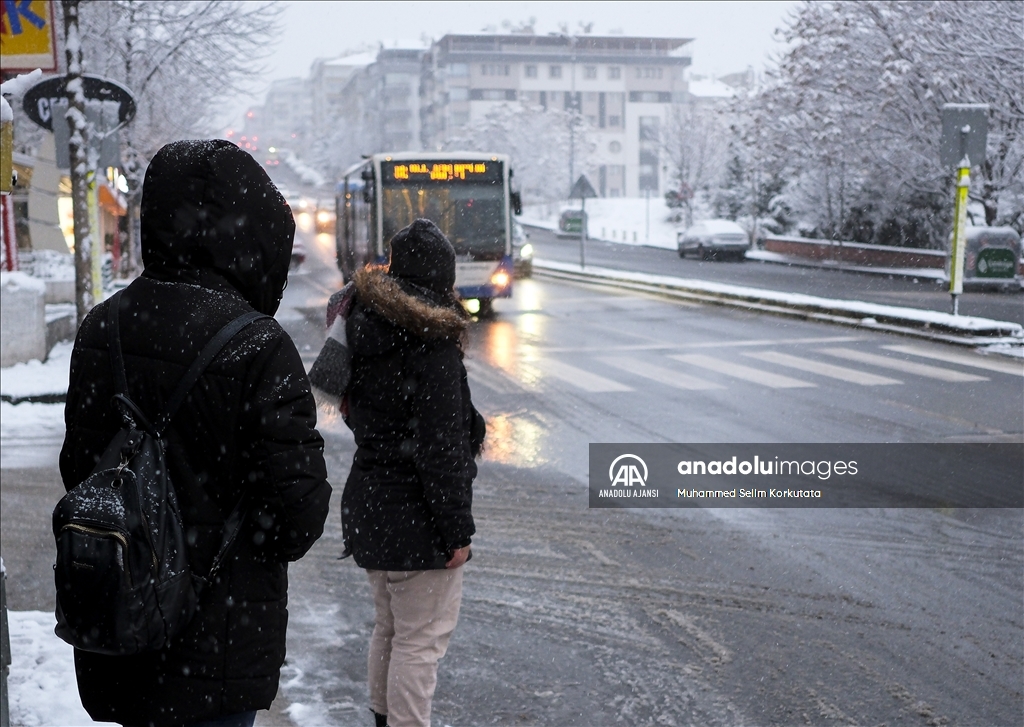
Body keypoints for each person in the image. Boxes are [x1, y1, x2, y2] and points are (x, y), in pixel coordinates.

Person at [59, 139, 332, 727]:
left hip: (122, 618)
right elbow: (297, 511)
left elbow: (82, 469)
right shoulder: (258, 345)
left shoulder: (103, 327)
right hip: (217, 640)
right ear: (249, 236)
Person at [333, 219, 484, 727]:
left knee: (391, 630)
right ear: (441, 283)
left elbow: (364, 411)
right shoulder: (431, 344)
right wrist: (456, 532)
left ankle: (382, 720)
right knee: (420, 643)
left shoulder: (365, 327)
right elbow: (442, 452)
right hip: (416, 517)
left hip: (372, 502)